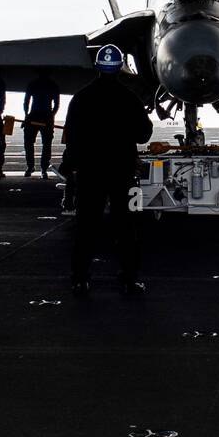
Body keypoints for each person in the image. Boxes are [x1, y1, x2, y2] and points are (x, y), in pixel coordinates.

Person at [62, 44, 153, 297]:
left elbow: (72, 136)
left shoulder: (81, 98)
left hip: (90, 173)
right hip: (121, 173)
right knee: (126, 228)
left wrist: (72, 166)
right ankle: (129, 280)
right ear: (120, 66)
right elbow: (144, 134)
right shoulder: (129, 98)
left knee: (86, 227)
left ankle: (80, 280)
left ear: (97, 66)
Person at [23, 69, 60, 177]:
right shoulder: (53, 85)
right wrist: (51, 116)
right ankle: (43, 169)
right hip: (46, 115)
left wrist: (26, 116)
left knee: (29, 142)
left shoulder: (33, 84)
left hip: (34, 115)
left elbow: (26, 101)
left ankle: (31, 167)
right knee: (46, 144)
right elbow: (56, 104)